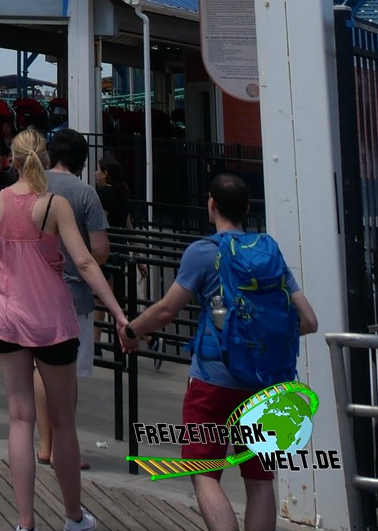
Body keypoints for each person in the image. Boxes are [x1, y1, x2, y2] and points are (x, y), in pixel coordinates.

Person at [124, 173, 317, 531]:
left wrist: (132, 330)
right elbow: (308, 320)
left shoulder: (202, 252)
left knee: (205, 474)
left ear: (211, 204)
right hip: (265, 384)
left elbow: (167, 310)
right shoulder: (269, 251)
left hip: (213, 382)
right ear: (247, 208)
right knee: (260, 482)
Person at [0, 129, 130, 531]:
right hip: (51, 319)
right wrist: (118, 314)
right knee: (63, 421)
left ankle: (25, 521)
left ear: (12, 161)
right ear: (44, 159)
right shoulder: (54, 204)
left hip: (8, 316)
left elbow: (7, 256)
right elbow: (86, 263)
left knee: (20, 418)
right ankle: (73, 516)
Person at [35, 129, 110, 469]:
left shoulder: (35, 186)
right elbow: (99, 251)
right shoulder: (85, 194)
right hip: (73, 294)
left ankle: (45, 444)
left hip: (34, 289)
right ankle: (67, 447)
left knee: (39, 368)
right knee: (69, 373)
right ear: (82, 160)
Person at [95, 153, 132, 231]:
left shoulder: (104, 192)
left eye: (97, 169)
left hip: (108, 240)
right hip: (120, 241)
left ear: (105, 173)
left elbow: (100, 224)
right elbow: (128, 226)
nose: (95, 173)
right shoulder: (122, 192)